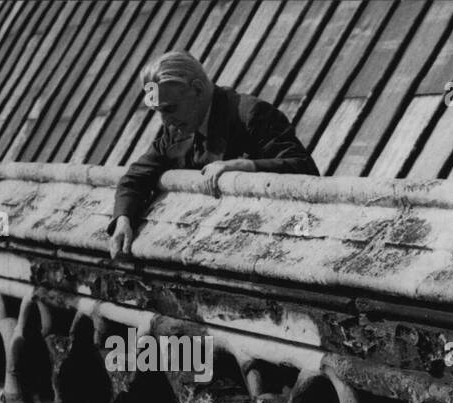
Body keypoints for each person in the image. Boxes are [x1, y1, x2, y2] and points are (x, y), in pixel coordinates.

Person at [108, 52, 318, 258]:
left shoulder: (252, 115)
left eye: (170, 108)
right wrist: (123, 220)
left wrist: (243, 167)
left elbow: (303, 169)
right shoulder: (176, 129)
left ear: (198, 89)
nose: (165, 121)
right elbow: (136, 177)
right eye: (159, 111)